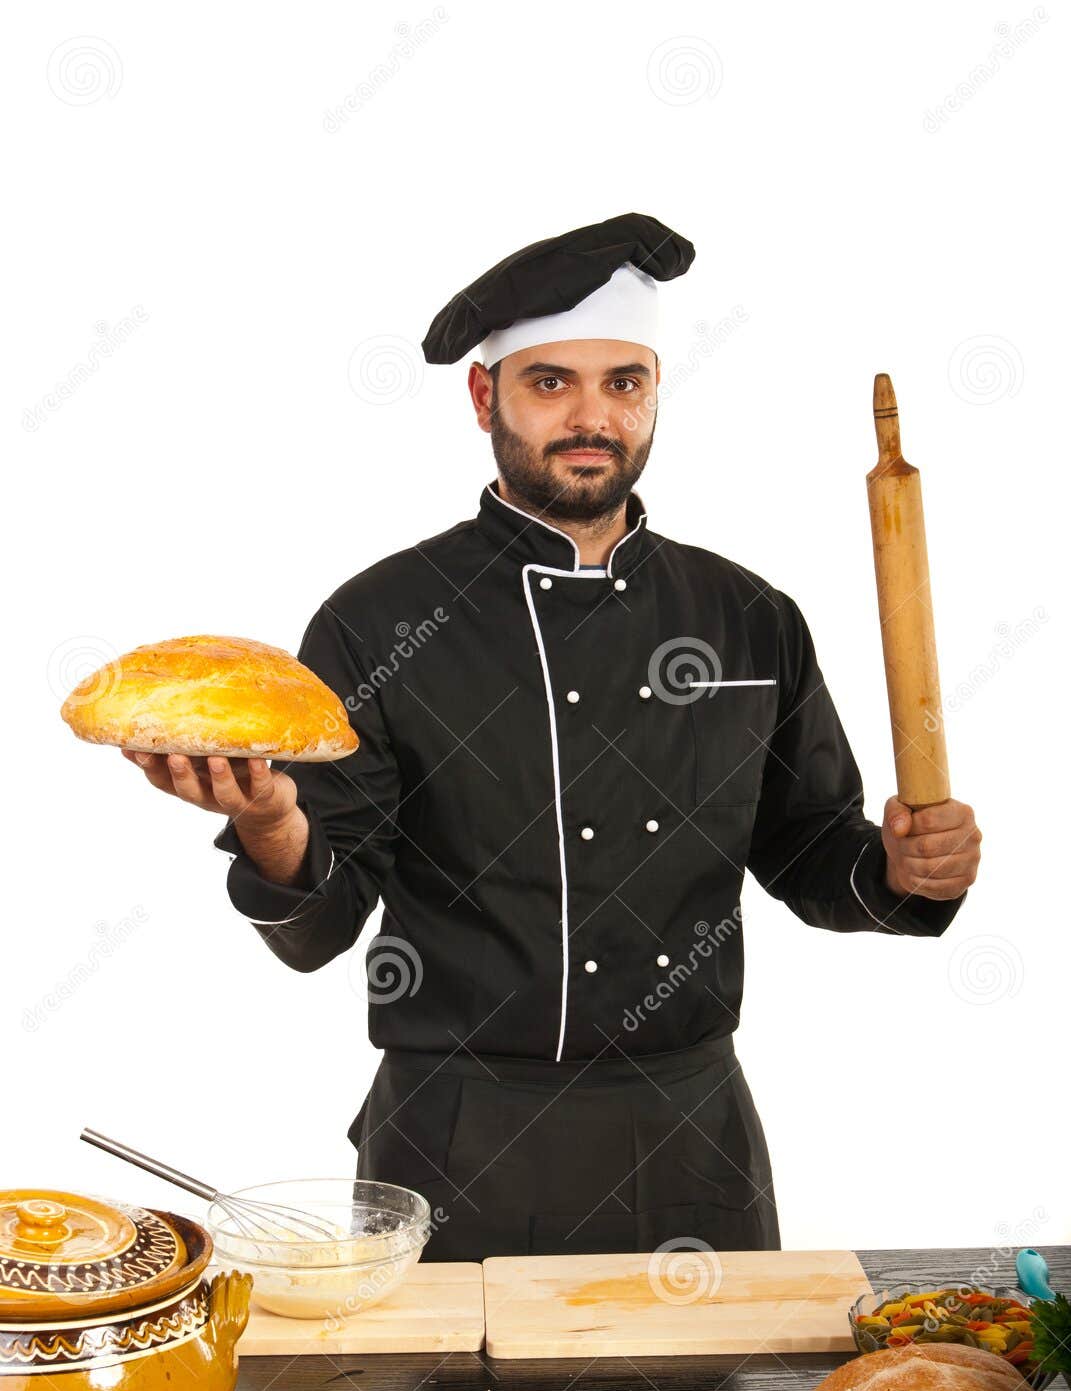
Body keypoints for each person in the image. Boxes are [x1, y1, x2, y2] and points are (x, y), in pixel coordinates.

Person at [123, 213, 981, 1260]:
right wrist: (270, 821)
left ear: (656, 391)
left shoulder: (750, 618)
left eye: (624, 381)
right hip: (454, 1142)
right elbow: (320, 922)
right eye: (551, 383)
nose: (592, 415)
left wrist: (902, 868)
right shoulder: (379, 623)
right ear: (486, 397)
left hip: (692, 1141)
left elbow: (812, 852)